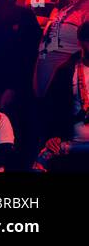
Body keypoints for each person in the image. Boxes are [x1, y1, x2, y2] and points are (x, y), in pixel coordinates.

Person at [34, 21, 89, 172]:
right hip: (72, 147)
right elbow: (51, 109)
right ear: (81, 42)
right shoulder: (65, 71)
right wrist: (53, 136)